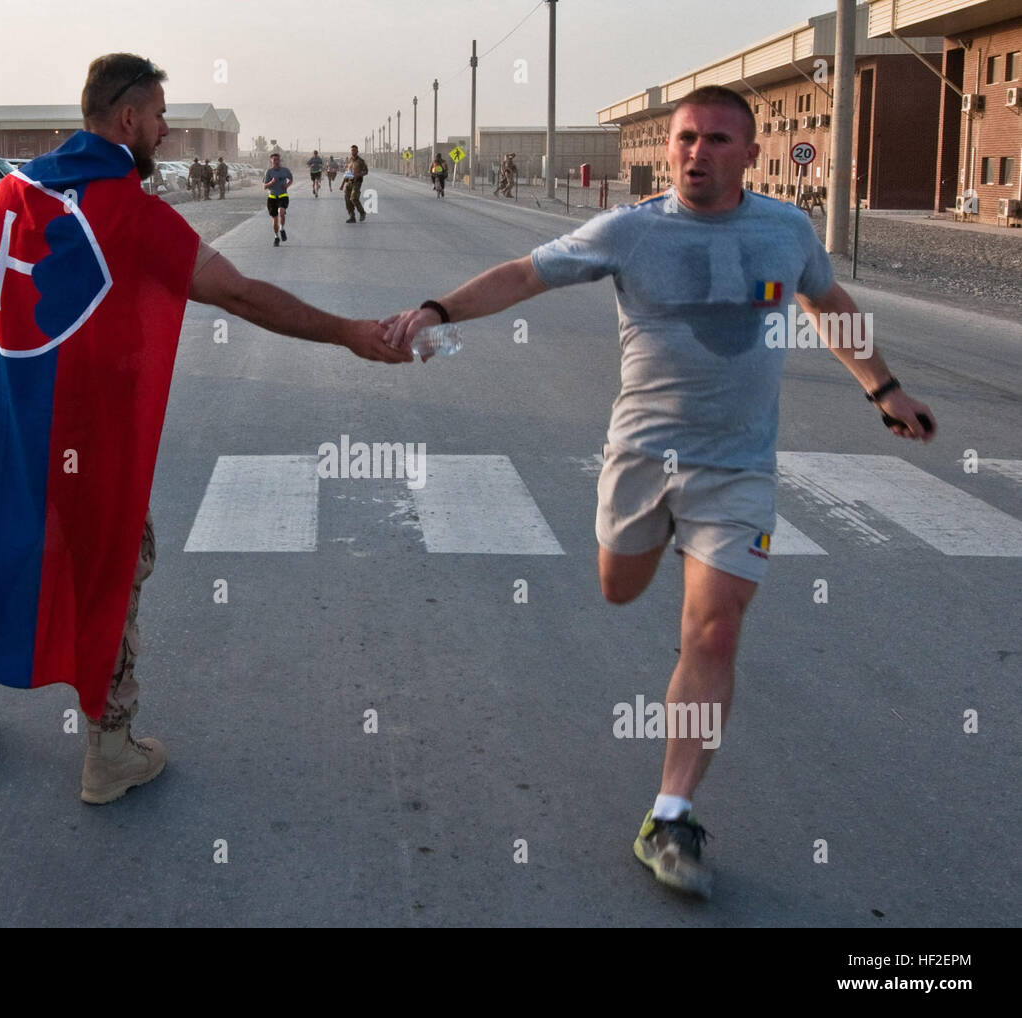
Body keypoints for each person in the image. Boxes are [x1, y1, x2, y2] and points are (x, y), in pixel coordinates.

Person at [381, 85, 935, 899]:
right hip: (641, 457)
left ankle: (670, 813)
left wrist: (884, 390)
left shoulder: (786, 229)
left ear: (752, 153)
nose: (696, 153)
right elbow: (524, 274)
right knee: (619, 585)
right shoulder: (629, 229)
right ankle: (659, 554)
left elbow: (828, 303)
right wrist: (437, 309)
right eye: (684, 139)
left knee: (713, 632)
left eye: (717, 140)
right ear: (667, 147)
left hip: (738, 468)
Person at [0, 53, 410, 805]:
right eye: (162, 117)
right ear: (127, 118)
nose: (169, 132)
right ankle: (108, 751)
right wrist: (348, 333)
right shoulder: (130, 215)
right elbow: (239, 293)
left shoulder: (11, 191)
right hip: (80, 441)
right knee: (111, 563)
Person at [263, 151, 291, 246]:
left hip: (283, 195)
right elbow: (265, 186)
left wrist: (287, 185)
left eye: (278, 159)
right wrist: (271, 182)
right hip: (272, 197)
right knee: (275, 219)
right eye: (274, 160)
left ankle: (282, 229)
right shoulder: (269, 172)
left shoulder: (285, 170)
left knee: (281, 212)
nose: (276, 161)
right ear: (271, 161)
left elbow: (291, 179)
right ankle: (276, 237)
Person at [342, 144, 368, 223]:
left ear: (357, 151)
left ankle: (362, 213)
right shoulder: (349, 160)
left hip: (357, 182)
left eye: (354, 150)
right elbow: (347, 172)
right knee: (347, 199)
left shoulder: (361, 161)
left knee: (353, 198)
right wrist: (342, 184)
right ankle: (352, 217)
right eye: (352, 150)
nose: (353, 151)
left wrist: (359, 174)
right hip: (349, 182)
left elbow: (366, 171)